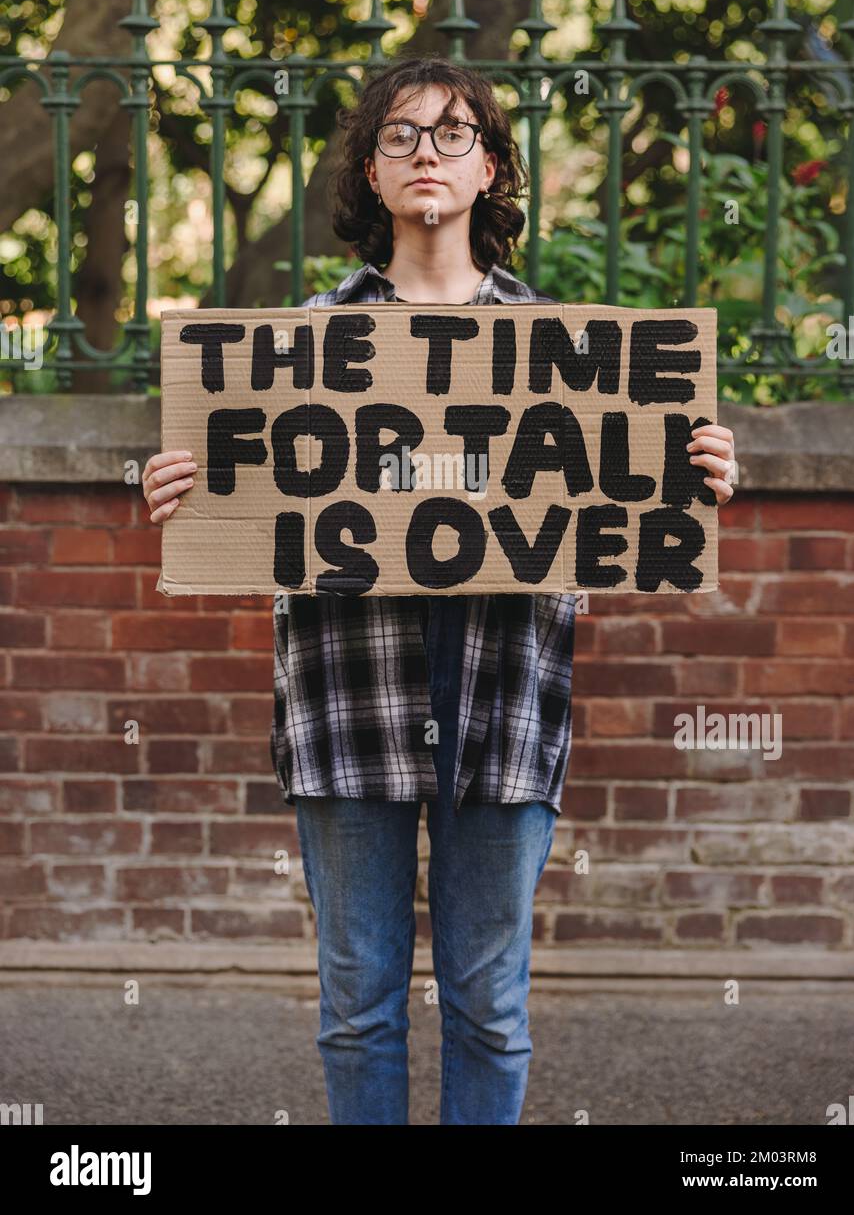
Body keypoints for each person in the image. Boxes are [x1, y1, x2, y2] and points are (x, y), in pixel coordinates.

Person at [143, 54, 737, 1125]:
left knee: (488, 1006)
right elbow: (245, 507)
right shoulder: (296, 349)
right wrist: (186, 483)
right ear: (372, 173)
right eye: (402, 135)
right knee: (357, 1005)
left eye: (453, 133)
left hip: (505, 701)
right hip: (348, 701)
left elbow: (624, 511)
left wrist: (693, 474)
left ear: (491, 168)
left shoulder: (576, 353)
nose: (427, 152)